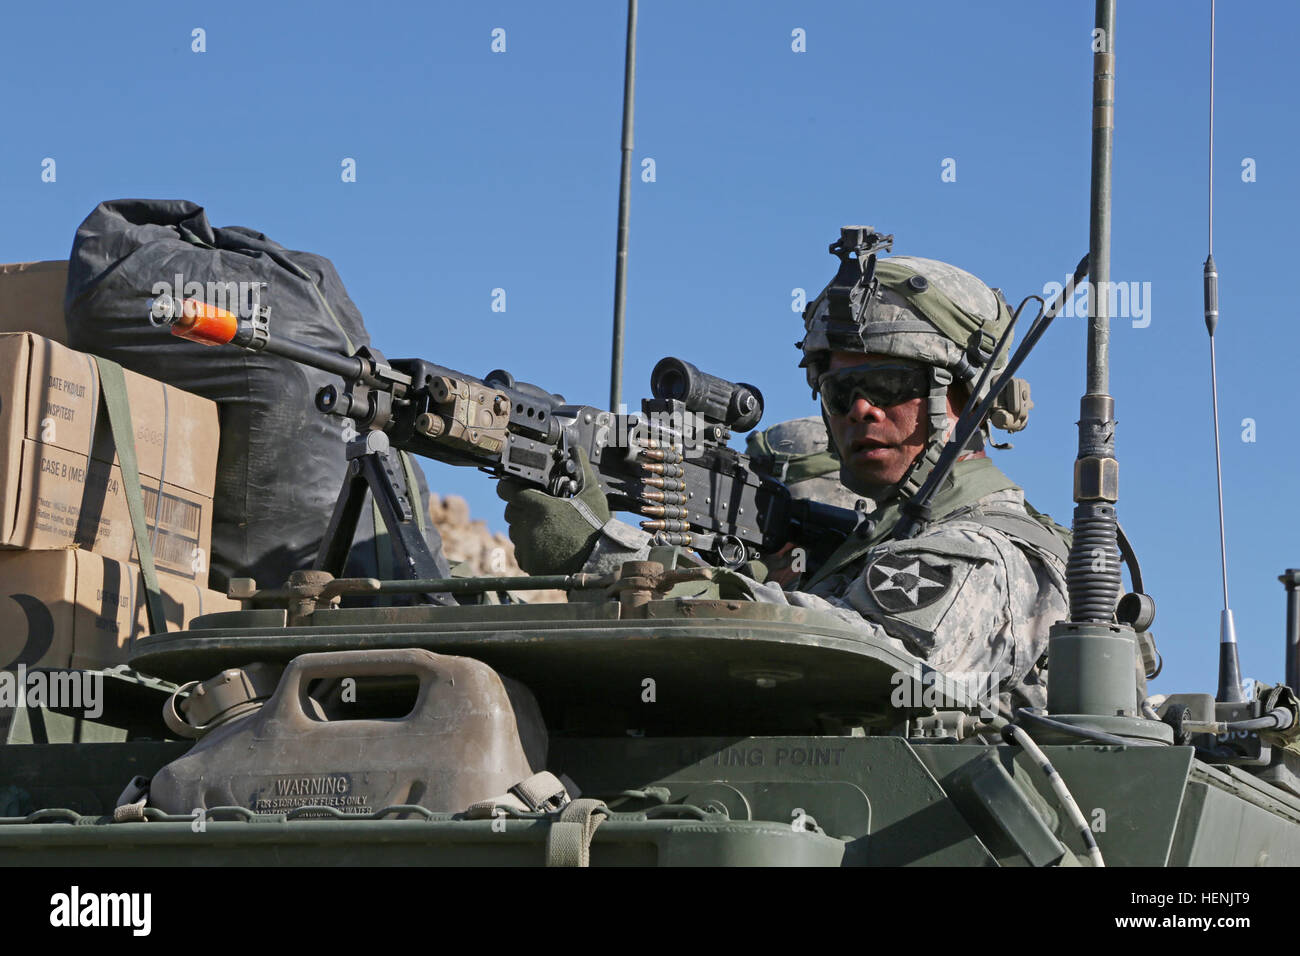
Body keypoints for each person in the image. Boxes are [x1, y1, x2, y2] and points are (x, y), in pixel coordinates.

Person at [498, 232, 1069, 710]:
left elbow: (855, 667)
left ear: (967, 398)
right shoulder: (881, 542)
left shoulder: (983, 553)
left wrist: (600, 554)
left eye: (891, 384)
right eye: (840, 390)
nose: (860, 410)